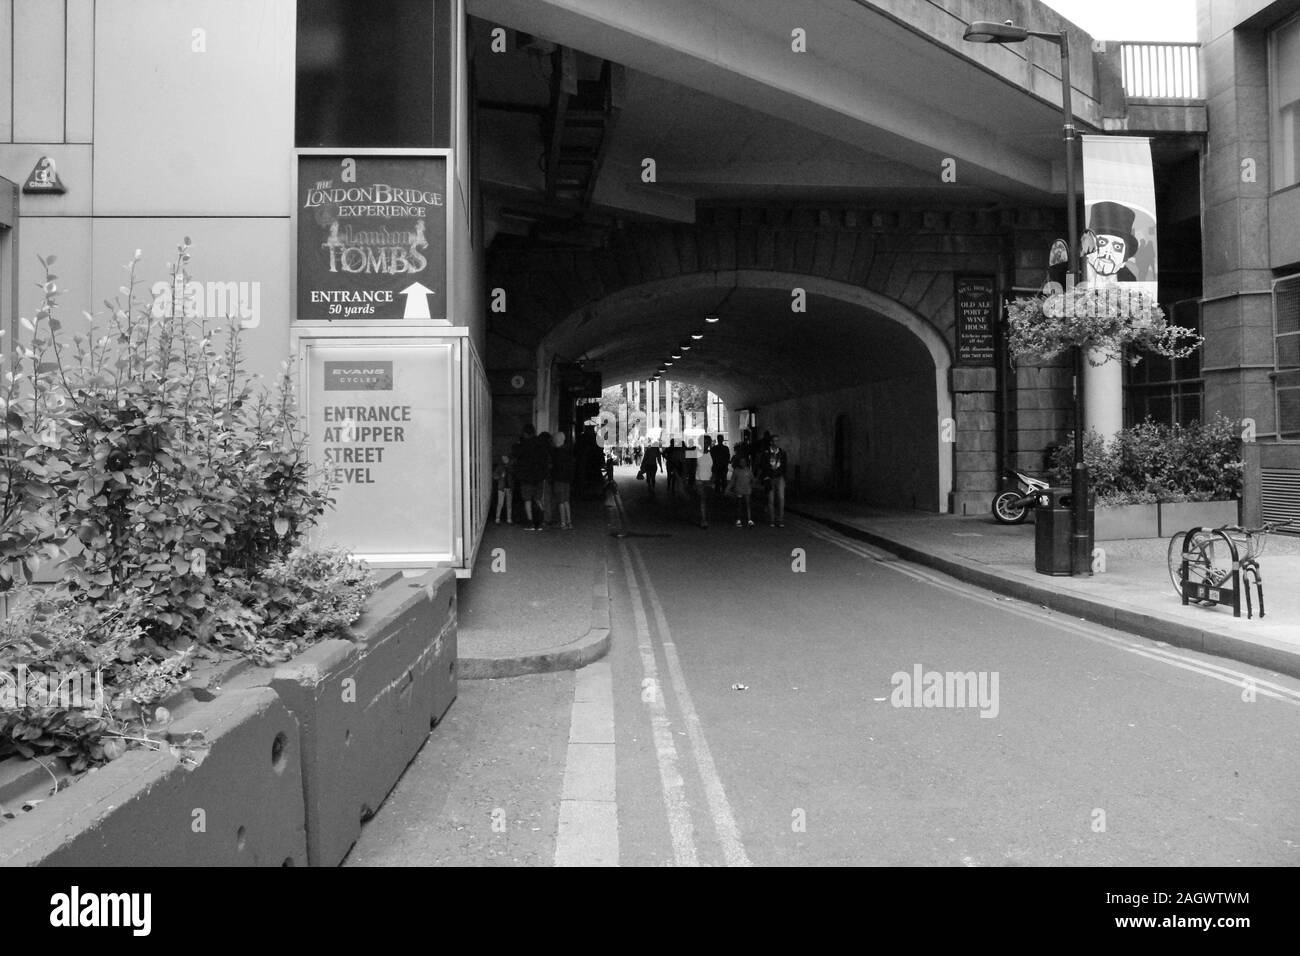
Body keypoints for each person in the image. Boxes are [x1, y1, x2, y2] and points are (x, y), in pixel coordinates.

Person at [514, 424, 550, 531]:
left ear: (525, 433)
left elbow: (517, 457)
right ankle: (541, 521)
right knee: (538, 499)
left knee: (527, 500)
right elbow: (545, 461)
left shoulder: (523, 445)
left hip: (526, 478)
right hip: (539, 478)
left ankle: (530, 523)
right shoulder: (541, 445)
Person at [760, 434, 789, 527]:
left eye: (778, 440)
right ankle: (772, 520)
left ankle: (780, 520)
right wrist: (765, 477)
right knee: (771, 500)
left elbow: (784, 466)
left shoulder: (782, 453)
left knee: (781, 498)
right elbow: (763, 465)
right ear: (771, 442)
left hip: (780, 477)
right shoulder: (766, 453)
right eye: (775, 441)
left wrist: (784, 478)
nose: (777, 442)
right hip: (770, 478)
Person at [550, 430, 576, 529]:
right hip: (567, 480)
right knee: (566, 501)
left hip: (559, 480)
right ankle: (569, 522)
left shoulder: (556, 453)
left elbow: (555, 467)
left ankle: (563, 522)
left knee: (560, 501)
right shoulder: (568, 452)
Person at [727, 454, 755, 527]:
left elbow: (752, 479)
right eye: (741, 462)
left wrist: (751, 486)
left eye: (744, 462)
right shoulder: (736, 471)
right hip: (739, 490)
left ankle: (749, 520)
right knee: (739, 505)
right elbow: (732, 481)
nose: (742, 463)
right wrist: (728, 488)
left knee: (748, 505)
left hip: (747, 490)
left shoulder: (748, 470)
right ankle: (739, 520)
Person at [493, 453, 514, 524]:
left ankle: (508, 519)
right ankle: (498, 518)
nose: (504, 460)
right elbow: (494, 476)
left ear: (508, 458)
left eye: (505, 458)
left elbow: (514, 475)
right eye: (503, 458)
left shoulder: (511, 467)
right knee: (500, 504)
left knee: (508, 504)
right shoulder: (500, 467)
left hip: (509, 488)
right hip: (502, 488)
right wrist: (500, 476)